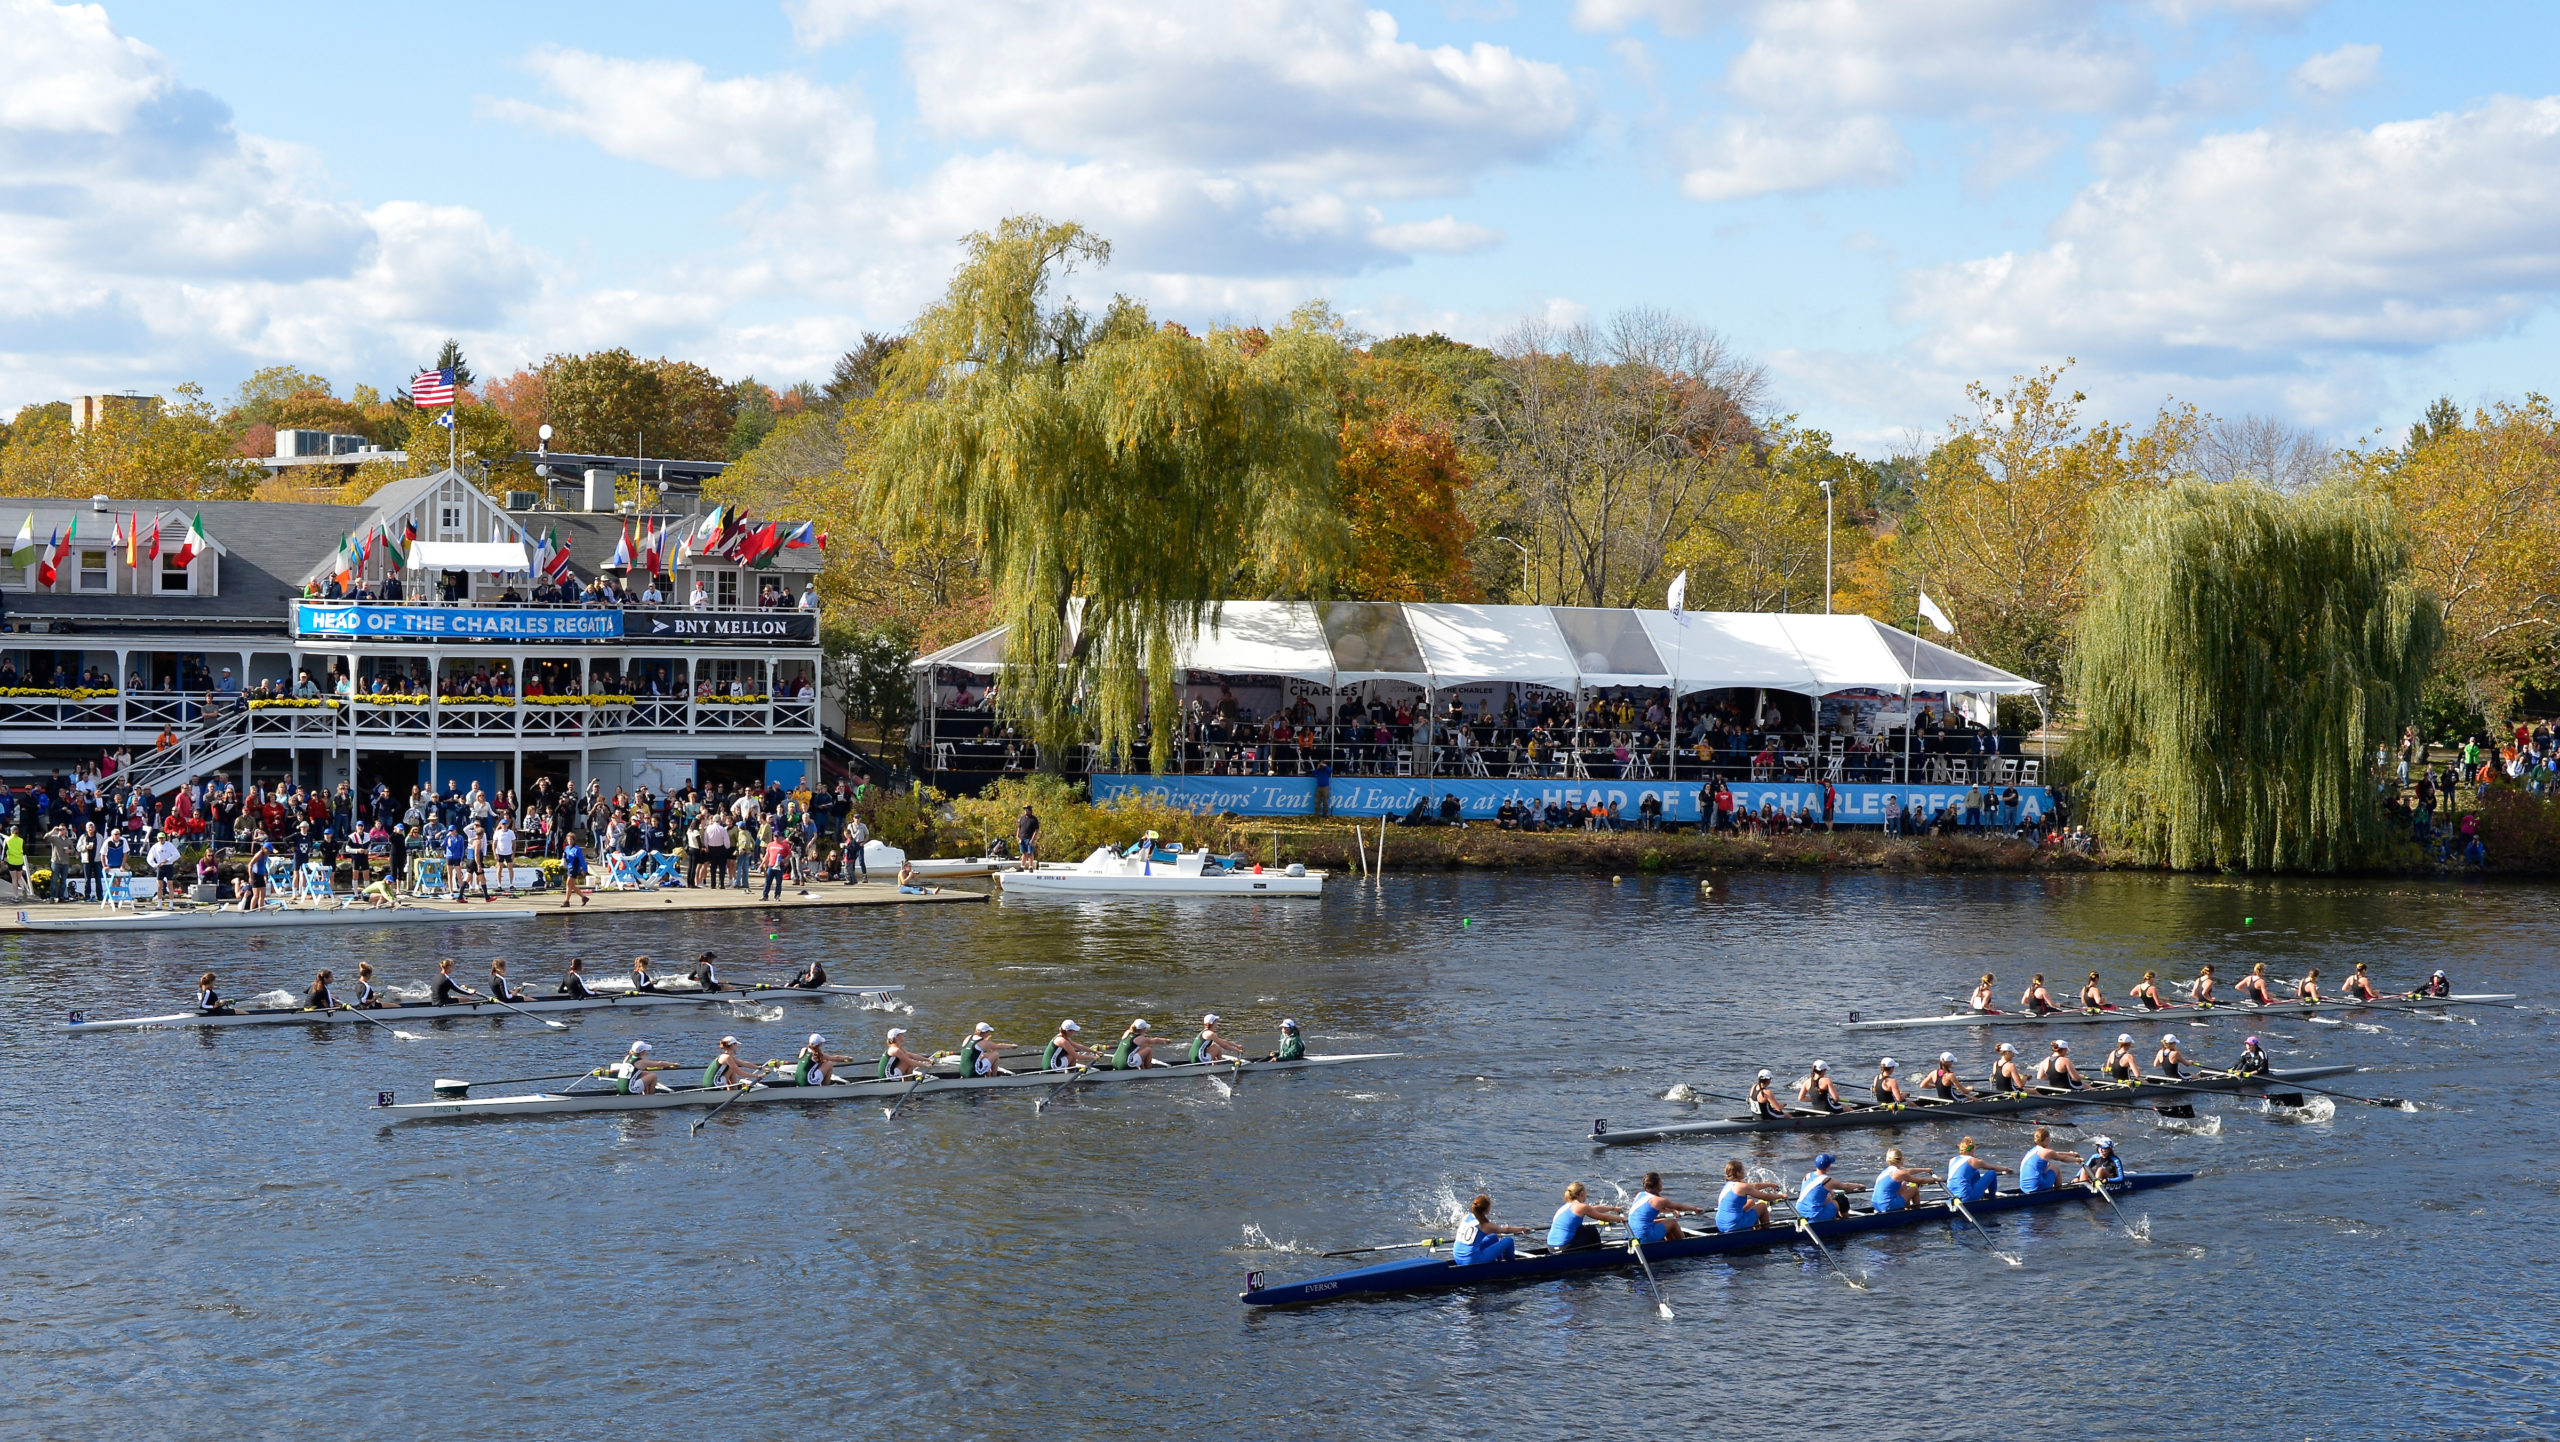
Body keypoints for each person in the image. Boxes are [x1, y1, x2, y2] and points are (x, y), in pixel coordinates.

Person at [1451, 1194, 1531, 1265]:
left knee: (1494, 1237)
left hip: (1457, 1257)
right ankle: (1511, 1265)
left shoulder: (1466, 1217)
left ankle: (1498, 1262)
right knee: (1509, 1241)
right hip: (1471, 1260)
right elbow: (1507, 1230)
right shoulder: (1485, 1224)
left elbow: (1476, 1234)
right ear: (1486, 1209)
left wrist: (1494, 1233)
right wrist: (1522, 1229)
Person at [1547, 1181, 1626, 1251]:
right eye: (1586, 1192)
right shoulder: (1581, 1207)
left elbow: (1594, 1209)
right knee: (1591, 1229)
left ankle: (1587, 1250)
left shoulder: (1567, 1206)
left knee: (1581, 1229)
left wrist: (1613, 1208)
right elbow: (1603, 1217)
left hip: (1551, 1247)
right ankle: (1597, 1254)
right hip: (1564, 1247)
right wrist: (1623, 1219)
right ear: (1582, 1193)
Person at [1628, 1171, 1702, 1243]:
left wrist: (1672, 1211)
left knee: (1664, 1221)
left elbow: (1654, 1209)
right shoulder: (1659, 1200)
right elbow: (1679, 1207)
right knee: (1672, 1222)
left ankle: (1669, 1245)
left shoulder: (1639, 1195)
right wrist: (1695, 1209)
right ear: (1657, 1185)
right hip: (1645, 1237)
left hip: (1631, 1235)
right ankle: (1685, 1245)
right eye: (1661, 1182)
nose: (1662, 1183)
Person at [1715, 1159, 1788, 1232]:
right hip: (1734, 1225)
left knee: (1750, 1202)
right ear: (1738, 1173)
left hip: (1720, 1224)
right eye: (1742, 1170)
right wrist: (1781, 1196)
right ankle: (1766, 1233)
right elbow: (1765, 1197)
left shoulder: (1729, 1185)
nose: (1744, 1171)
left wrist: (1770, 1184)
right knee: (1762, 1206)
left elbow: (1754, 1186)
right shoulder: (1742, 1186)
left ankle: (1756, 1229)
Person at [1871, 1147, 1940, 1213]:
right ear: (1901, 1159)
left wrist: (1925, 1170)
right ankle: (1916, 1212)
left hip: (1876, 1205)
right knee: (1914, 1190)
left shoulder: (1886, 1171)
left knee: (1903, 1184)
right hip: (1887, 1206)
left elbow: (1908, 1171)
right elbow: (1920, 1181)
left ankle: (1906, 1209)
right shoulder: (1899, 1173)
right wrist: (1935, 1180)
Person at [2017, 1127, 2081, 1193]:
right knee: (2055, 1168)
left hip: (2024, 1187)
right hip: (2037, 1187)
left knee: (2048, 1166)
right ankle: (2058, 1192)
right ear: (2047, 1139)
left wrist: (2071, 1154)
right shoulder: (2047, 1152)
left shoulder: (2033, 1151)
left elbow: (2055, 1153)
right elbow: (2063, 1158)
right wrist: (2078, 1160)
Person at [1945, 1137, 2006, 1203]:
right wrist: (2006, 1169)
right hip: (1967, 1197)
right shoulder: (1973, 1161)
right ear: (1972, 1149)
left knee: (1975, 1173)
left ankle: (1980, 1197)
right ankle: (1992, 1200)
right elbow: (1993, 1168)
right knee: (1992, 1173)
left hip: (1951, 1198)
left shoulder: (1952, 1160)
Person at [1796, 1154, 1852, 1222]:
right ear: (1828, 1167)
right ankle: (1845, 1222)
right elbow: (1846, 1187)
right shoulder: (1827, 1180)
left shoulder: (1807, 1176)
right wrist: (1859, 1186)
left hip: (1799, 1213)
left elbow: (1815, 1193)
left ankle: (1833, 1216)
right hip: (1815, 1216)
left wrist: (1830, 1193)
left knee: (1827, 1198)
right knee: (1842, 1200)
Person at [613, 1041, 679, 1096]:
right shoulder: (641, 1062)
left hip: (620, 1089)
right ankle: (651, 1097)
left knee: (645, 1074)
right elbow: (660, 1064)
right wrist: (673, 1064)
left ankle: (645, 1095)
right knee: (653, 1076)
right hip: (629, 1090)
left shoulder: (627, 1058)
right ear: (642, 1052)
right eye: (645, 1050)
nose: (646, 1052)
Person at [559, 833, 591, 908]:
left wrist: (584, 870)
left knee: (568, 884)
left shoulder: (577, 849)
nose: (569, 841)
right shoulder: (567, 848)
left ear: (573, 840)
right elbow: (565, 857)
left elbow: (582, 860)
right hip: (569, 867)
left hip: (574, 868)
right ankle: (584, 898)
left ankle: (566, 901)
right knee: (572, 885)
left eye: (571, 839)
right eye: (568, 840)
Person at [1015, 804, 1041, 868]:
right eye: (1025, 810)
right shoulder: (1022, 818)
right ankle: (1022, 867)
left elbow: (1036, 830)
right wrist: (1017, 836)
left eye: (1026, 810)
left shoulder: (1034, 819)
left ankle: (1030, 867)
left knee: (1030, 853)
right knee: (1024, 853)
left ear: (1030, 810)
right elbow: (1019, 828)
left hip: (1029, 838)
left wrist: (1032, 839)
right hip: (1022, 838)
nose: (1025, 811)